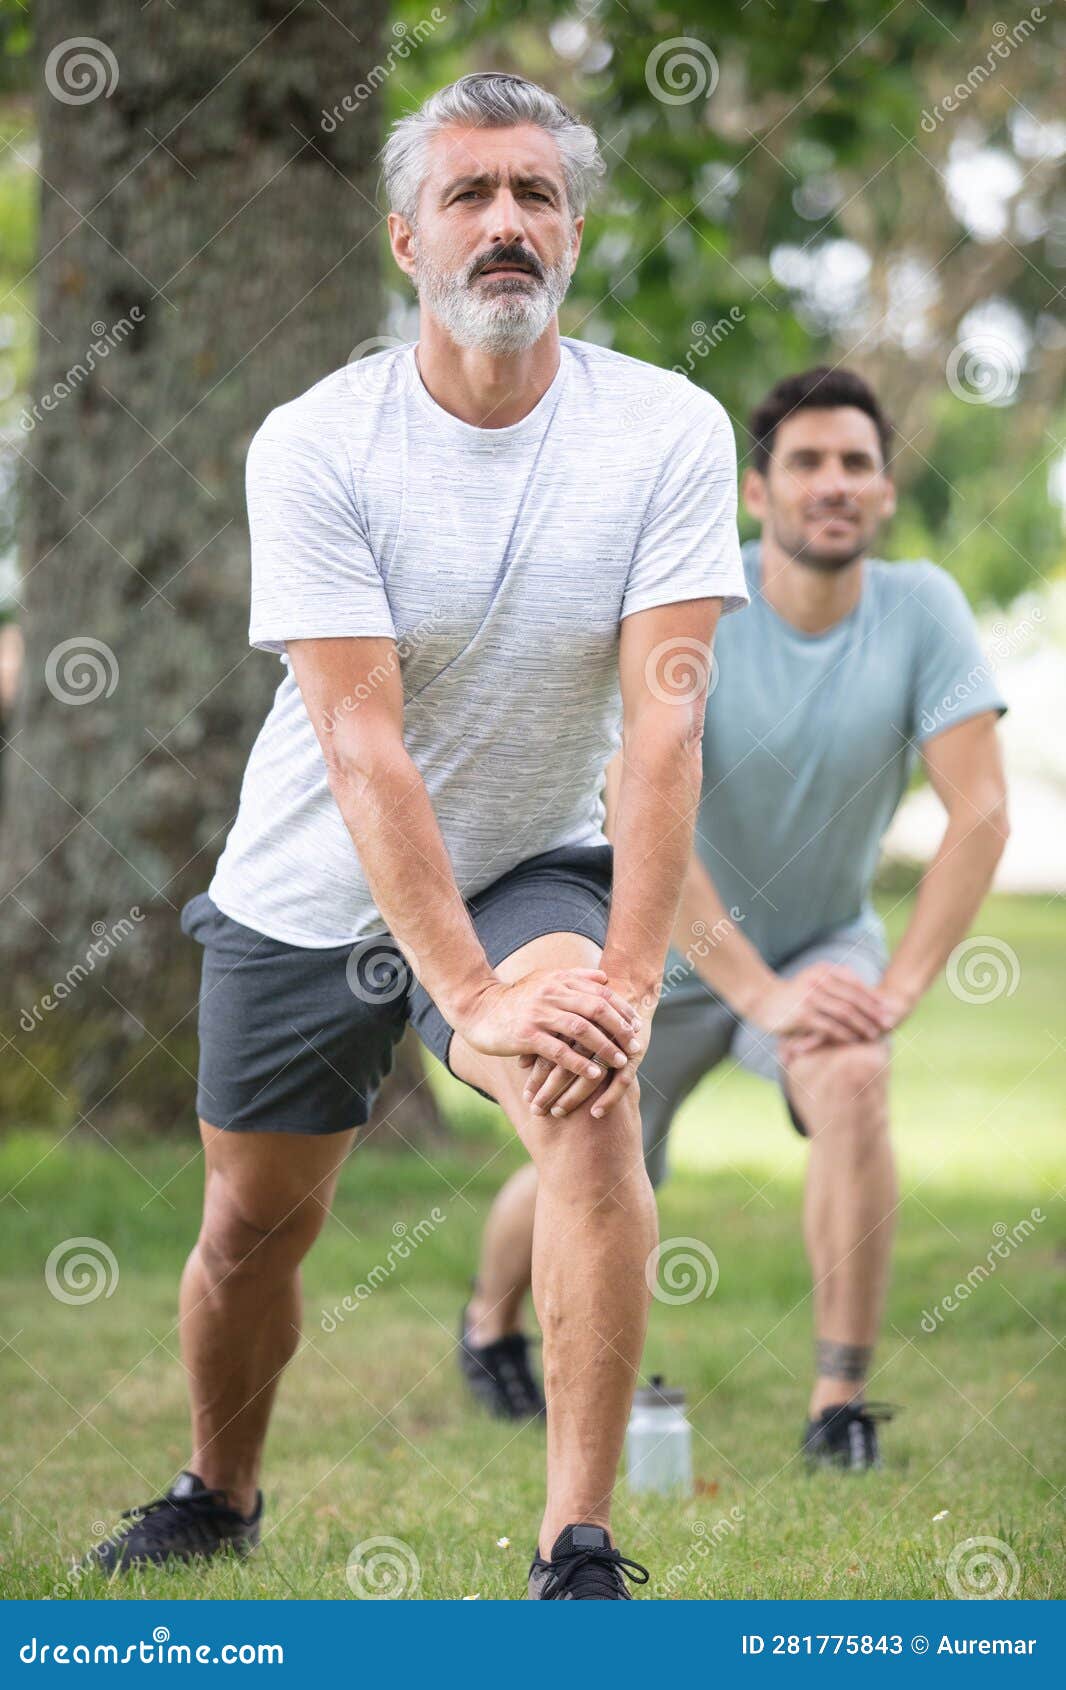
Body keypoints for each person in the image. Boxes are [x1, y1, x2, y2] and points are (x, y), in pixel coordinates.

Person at [83, 72, 748, 1599]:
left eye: (534, 195)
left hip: (527, 861)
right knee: (254, 1229)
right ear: (407, 240)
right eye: (469, 195)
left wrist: (624, 981)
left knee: (589, 1105)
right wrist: (468, 992)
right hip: (309, 886)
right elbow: (359, 741)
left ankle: (573, 1545)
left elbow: (664, 720)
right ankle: (216, 1486)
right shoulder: (318, 443)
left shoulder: (668, 429)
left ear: (574, 230)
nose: (504, 222)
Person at [462, 365, 1009, 1473]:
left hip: (820, 948)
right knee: (590, 1151)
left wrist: (891, 988)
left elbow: (982, 812)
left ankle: (836, 1401)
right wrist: (752, 987)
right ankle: (487, 1324)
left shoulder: (920, 611)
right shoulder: (701, 604)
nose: (833, 483)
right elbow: (635, 802)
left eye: (855, 462)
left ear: (885, 489)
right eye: (805, 462)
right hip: (664, 947)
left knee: (854, 1073)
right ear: (758, 493)